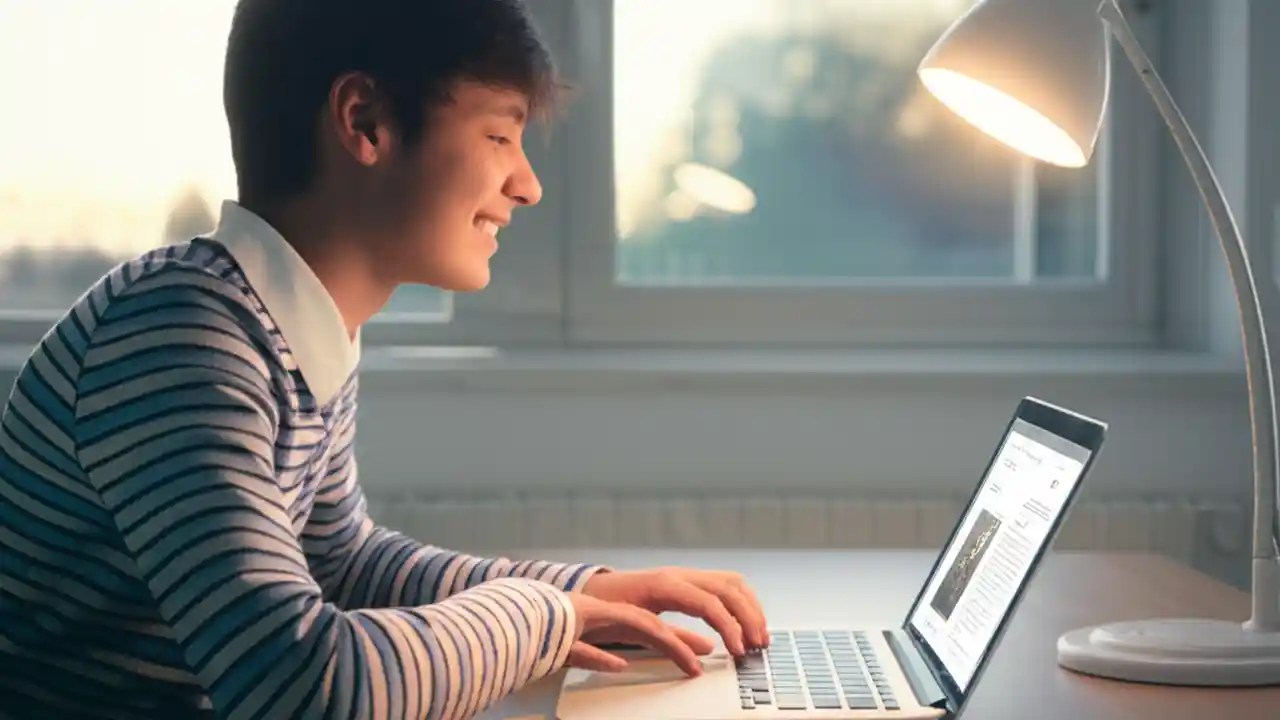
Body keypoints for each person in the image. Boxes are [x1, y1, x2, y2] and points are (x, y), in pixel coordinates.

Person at [0, 1, 769, 717]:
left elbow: (340, 563)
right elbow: (300, 683)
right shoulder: (178, 336)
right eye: (500, 135)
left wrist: (590, 592)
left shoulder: (285, 327)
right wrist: (546, 616)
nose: (527, 185)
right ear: (365, 120)